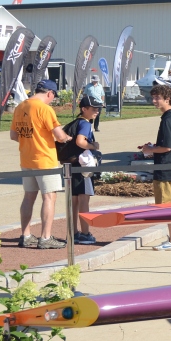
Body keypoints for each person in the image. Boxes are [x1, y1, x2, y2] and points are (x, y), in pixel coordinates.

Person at [9, 80, 71, 249]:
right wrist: (67, 138)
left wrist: (29, 141)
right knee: (49, 197)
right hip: (45, 159)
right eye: (53, 97)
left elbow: (14, 135)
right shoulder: (45, 109)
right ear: (50, 93)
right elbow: (59, 136)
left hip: (26, 158)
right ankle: (45, 237)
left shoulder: (20, 107)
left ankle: (26, 235)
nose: (52, 100)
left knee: (29, 197)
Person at [140, 84, 171, 250]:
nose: (154, 101)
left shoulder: (168, 120)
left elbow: (166, 147)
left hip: (167, 170)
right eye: (153, 97)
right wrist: (153, 147)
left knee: (168, 208)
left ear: (168, 99)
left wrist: (149, 150)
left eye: (157, 98)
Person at [68, 97, 101, 245]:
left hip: (72, 164)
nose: (97, 111)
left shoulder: (75, 123)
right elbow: (80, 141)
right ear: (84, 109)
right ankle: (85, 233)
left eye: (98, 109)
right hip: (83, 166)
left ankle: (73, 232)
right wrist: (93, 146)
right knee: (83, 199)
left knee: (74, 200)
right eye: (93, 109)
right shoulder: (85, 124)